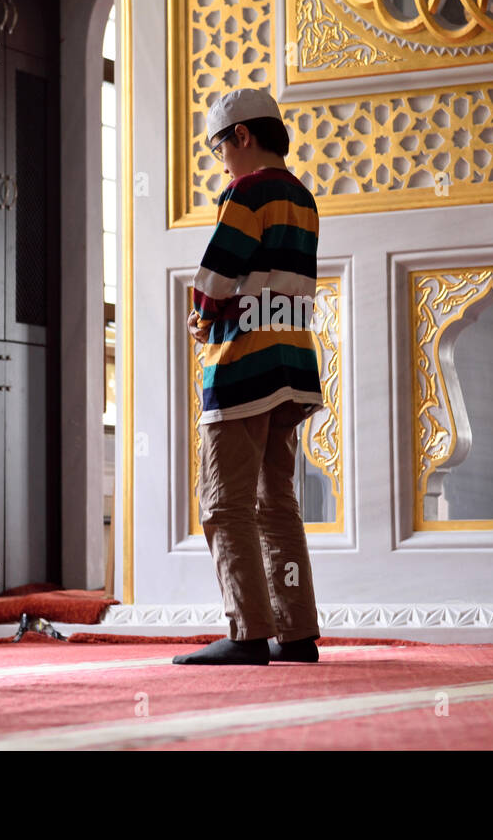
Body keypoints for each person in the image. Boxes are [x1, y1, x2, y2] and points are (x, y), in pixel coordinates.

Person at [173, 87, 324, 666]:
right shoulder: (303, 197)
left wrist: (202, 316)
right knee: (276, 504)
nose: (222, 163)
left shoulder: (247, 190)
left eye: (220, 150)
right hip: (291, 364)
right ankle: (296, 631)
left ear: (241, 136)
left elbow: (214, 278)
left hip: (243, 366)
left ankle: (247, 632)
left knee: (225, 504)